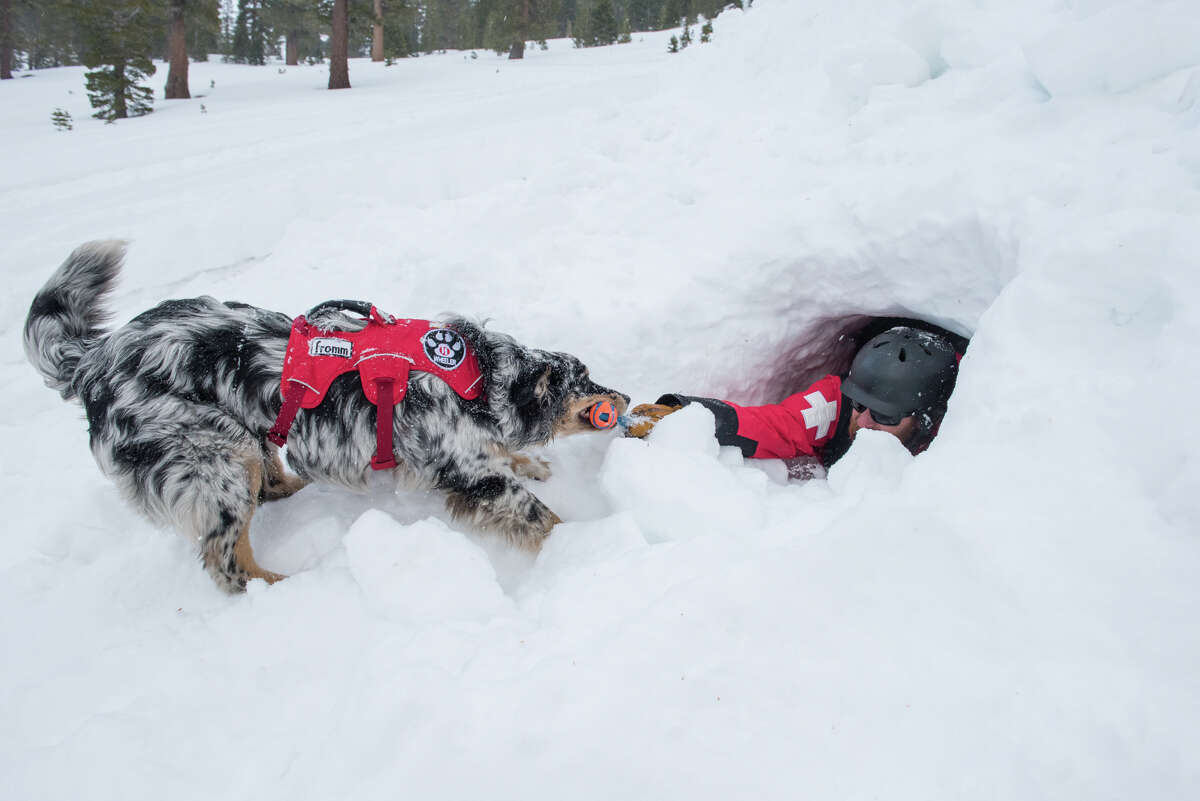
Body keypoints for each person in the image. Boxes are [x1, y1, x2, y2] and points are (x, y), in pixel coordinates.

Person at [625, 323, 966, 474]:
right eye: (860, 406)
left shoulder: (961, 440)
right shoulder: (837, 403)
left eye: (884, 417)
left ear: (926, 420)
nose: (861, 422)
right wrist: (685, 414)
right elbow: (777, 426)